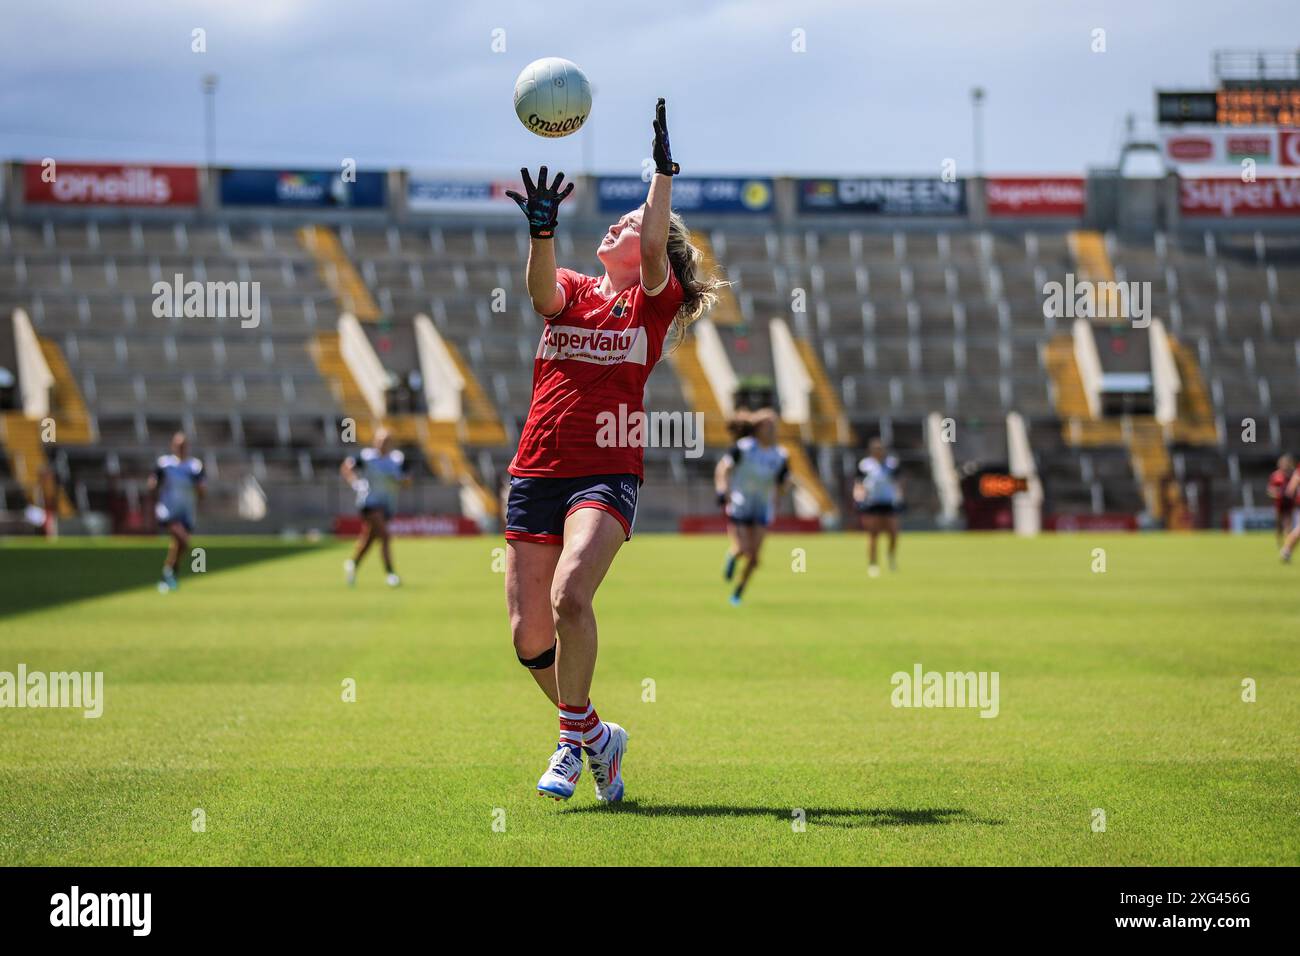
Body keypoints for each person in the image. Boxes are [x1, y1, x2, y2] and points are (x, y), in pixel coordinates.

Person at [503, 98, 724, 802]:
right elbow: (541, 294)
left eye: (629, 224)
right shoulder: (571, 287)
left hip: (606, 468)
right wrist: (542, 232)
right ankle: (600, 735)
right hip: (536, 466)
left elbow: (658, 248)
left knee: (572, 595)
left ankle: (570, 744)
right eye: (622, 219)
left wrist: (662, 174)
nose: (619, 226)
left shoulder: (649, 302)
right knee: (529, 638)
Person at [715, 408, 790, 606]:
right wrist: (723, 491)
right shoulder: (744, 448)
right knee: (742, 549)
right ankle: (732, 555)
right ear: (758, 429)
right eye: (770, 426)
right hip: (740, 505)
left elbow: (782, 482)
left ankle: (738, 592)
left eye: (775, 426)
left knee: (754, 558)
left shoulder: (781, 455)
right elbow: (723, 469)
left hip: (762, 508)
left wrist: (783, 490)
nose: (774, 430)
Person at [341, 427, 410, 587]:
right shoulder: (367, 457)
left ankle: (353, 564)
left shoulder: (397, 460)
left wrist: (402, 480)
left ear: (391, 443)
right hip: (369, 503)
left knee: (369, 539)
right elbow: (346, 467)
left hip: (387, 504)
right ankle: (391, 574)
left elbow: (407, 480)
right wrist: (354, 482)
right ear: (374, 441)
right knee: (385, 536)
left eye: (386, 441)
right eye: (380, 440)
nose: (383, 444)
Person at [148, 432, 204, 592]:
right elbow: (153, 480)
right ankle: (169, 574)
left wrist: (200, 492)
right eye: (178, 445)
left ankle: (168, 574)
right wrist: (152, 485)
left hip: (186, 511)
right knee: (183, 540)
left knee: (179, 546)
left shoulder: (194, 466)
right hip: (168, 511)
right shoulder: (165, 464)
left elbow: (201, 487)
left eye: (183, 445)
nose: (181, 448)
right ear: (173, 446)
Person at [854, 438, 902, 577]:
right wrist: (858, 498)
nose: (879, 452)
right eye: (876, 449)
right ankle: (873, 563)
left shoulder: (891, 464)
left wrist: (899, 497)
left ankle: (891, 558)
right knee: (873, 535)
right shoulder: (865, 465)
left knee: (893, 533)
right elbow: (858, 483)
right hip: (872, 502)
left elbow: (898, 481)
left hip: (888, 502)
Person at [1266, 454, 1295, 547]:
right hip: (1279, 503)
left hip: (1290, 502)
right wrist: (1276, 493)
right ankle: (1279, 541)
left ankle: (1287, 545)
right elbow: (1270, 489)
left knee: (1288, 524)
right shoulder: (1275, 475)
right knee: (1278, 524)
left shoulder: (1293, 475)